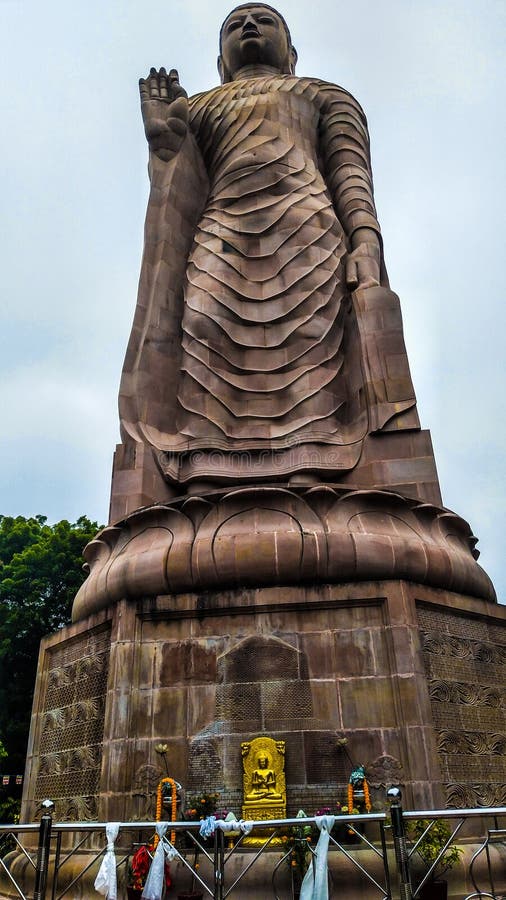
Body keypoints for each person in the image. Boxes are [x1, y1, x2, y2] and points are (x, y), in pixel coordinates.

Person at [119, 3, 417, 488]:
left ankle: (314, 471)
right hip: (220, 235)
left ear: (292, 53)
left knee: (310, 346)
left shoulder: (322, 95)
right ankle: (205, 476)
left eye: (264, 20)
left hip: (308, 234)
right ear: (221, 62)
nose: (249, 27)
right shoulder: (195, 109)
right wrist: (168, 148)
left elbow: (350, 174)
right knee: (203, 334)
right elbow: (181, 194)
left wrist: (365, 242)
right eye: (235, 25)